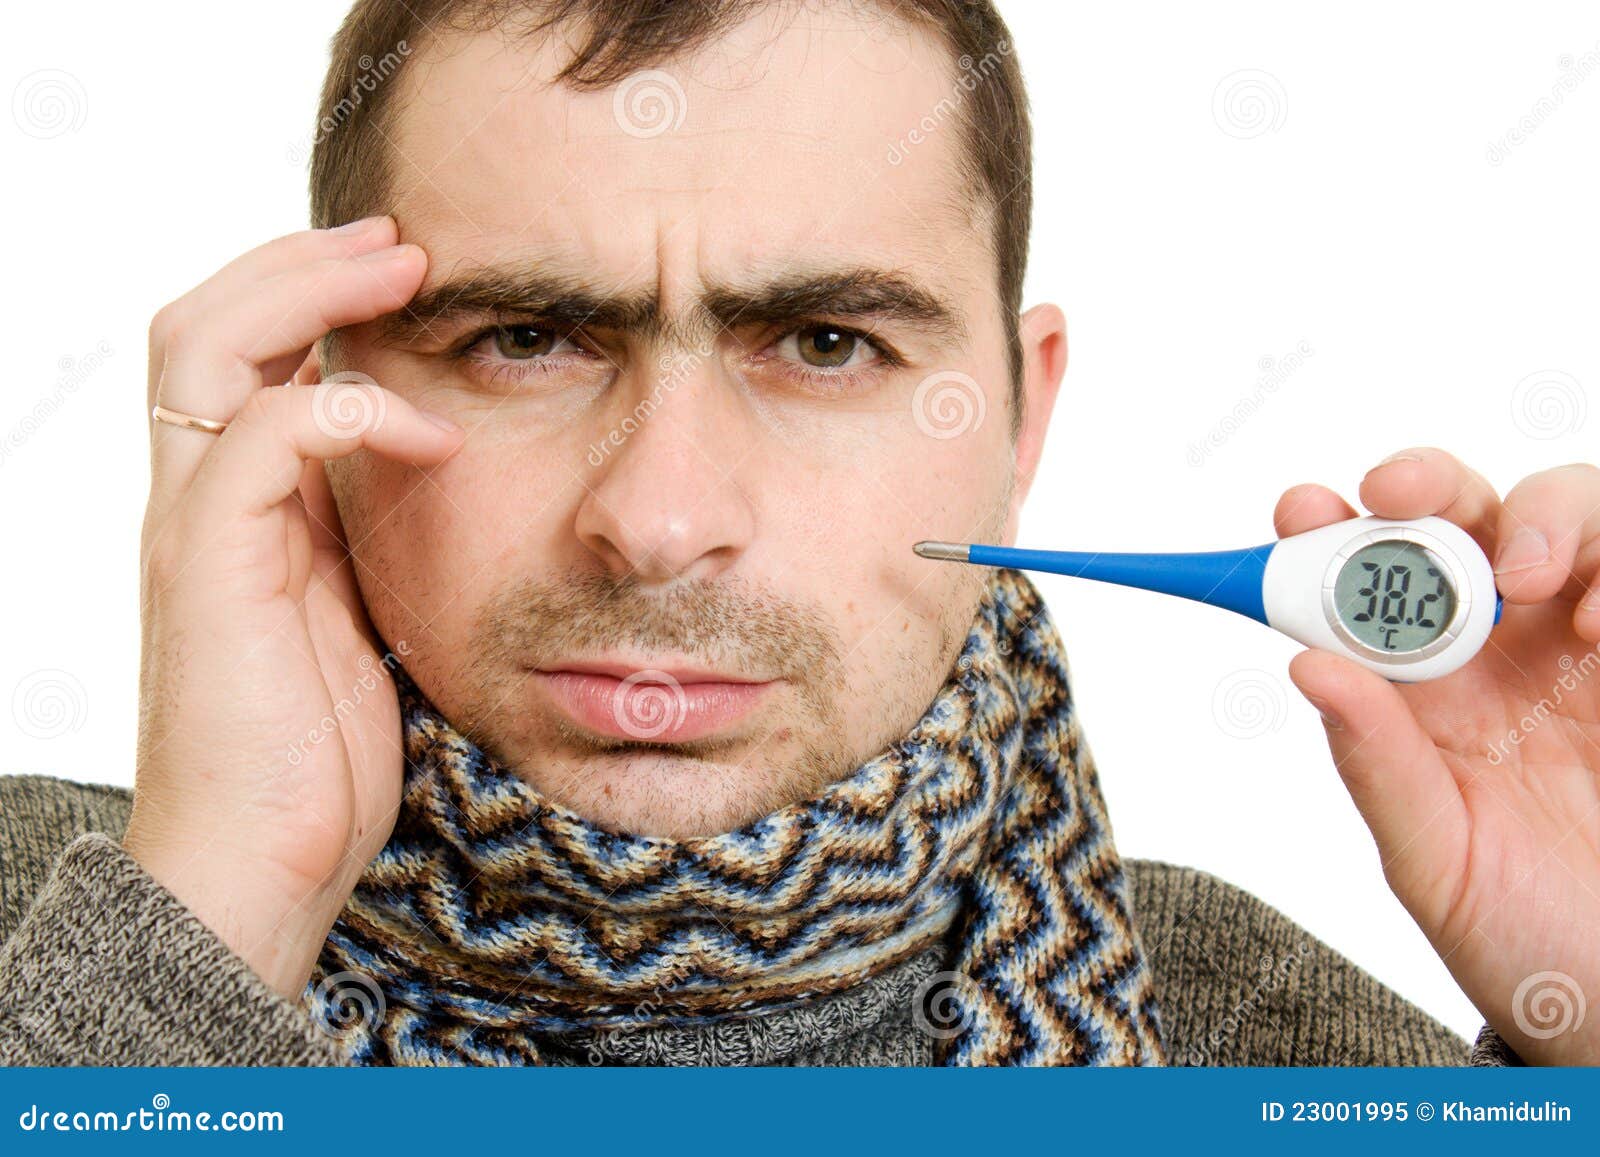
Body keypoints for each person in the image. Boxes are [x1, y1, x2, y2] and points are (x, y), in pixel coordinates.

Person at [2, 0, 1596, 1067]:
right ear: (318, 391)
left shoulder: (1265, 1032)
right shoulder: (65, 949)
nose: (660, 518)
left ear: (1018, 426)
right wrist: (208, 924)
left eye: (827, 344)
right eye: (524, 339)